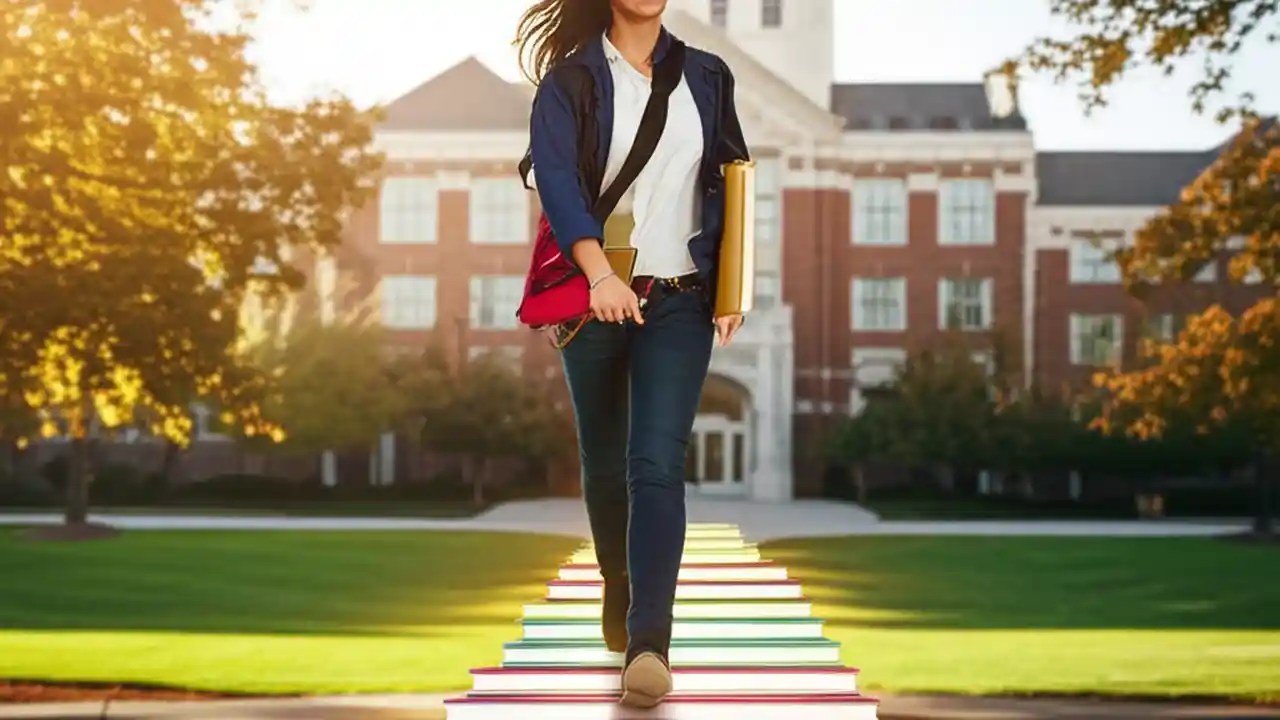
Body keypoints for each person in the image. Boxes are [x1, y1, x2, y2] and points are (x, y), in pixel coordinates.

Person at [516, 0, 749, 709]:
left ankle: (650, 644)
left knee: (655, 463)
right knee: (605, 464)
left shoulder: (707, 75)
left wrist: (732, 282)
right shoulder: (570, 81)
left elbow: (734, 174)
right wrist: (599, 275)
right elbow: (556, 183)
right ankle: (618, 583)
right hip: (594, 295)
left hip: (680, 297)